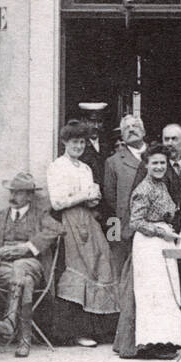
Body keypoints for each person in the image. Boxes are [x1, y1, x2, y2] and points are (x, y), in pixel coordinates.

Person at [49, 121, 121, 347]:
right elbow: (58, 201)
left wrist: (93, 198)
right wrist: (82, 195)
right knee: (77, 270)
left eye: (82, 142)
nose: (79, 146)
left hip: (88, 220)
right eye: (74, 142)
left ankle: (98, 329)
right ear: (64, 143)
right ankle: (72, 332)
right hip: (68, 222)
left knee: (100, 265)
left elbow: (90, 197)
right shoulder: (57, 166)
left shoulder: (86, 168)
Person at [115, 146, 181, 359]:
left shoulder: (162, 185)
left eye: (162, 163)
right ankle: (148, 344)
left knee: (165, 293)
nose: (159, 167)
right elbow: (135, 222)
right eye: (154, 163)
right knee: (151, 294)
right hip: (148, 245)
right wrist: (160, 231)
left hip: (161, 244)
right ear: (146, 165)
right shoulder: (143, 189)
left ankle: (163, 341)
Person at [0, 172, 65, 357]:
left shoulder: (40, 215)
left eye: (18, 193)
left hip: (33, 263)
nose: (12, 197)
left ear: (29, 195)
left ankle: (10, 318)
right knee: (25, 280)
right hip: (4, 267)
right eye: (12, 192)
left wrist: (27, 247)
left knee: (22, 267)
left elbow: (58, 229)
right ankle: (25, 338)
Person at [132, 123, 181, 230]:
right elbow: (137, 198)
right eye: (166, 139)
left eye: (174, 139)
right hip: (162, 231)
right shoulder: (151, 166)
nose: (170, 143)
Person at [103, 114, 148, 269]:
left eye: (134, 126)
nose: (131, 130)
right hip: (128, 228)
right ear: (122, 136)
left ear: (143, 131)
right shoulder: (113, 162)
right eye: (126, 128)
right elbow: (111, 197)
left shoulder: (159, 156)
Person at [77, 102, 111, 201]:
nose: (96, 126)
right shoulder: (78, 147)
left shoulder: (107, 144)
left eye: (99, 122)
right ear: (83, 122)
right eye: (92, 122)